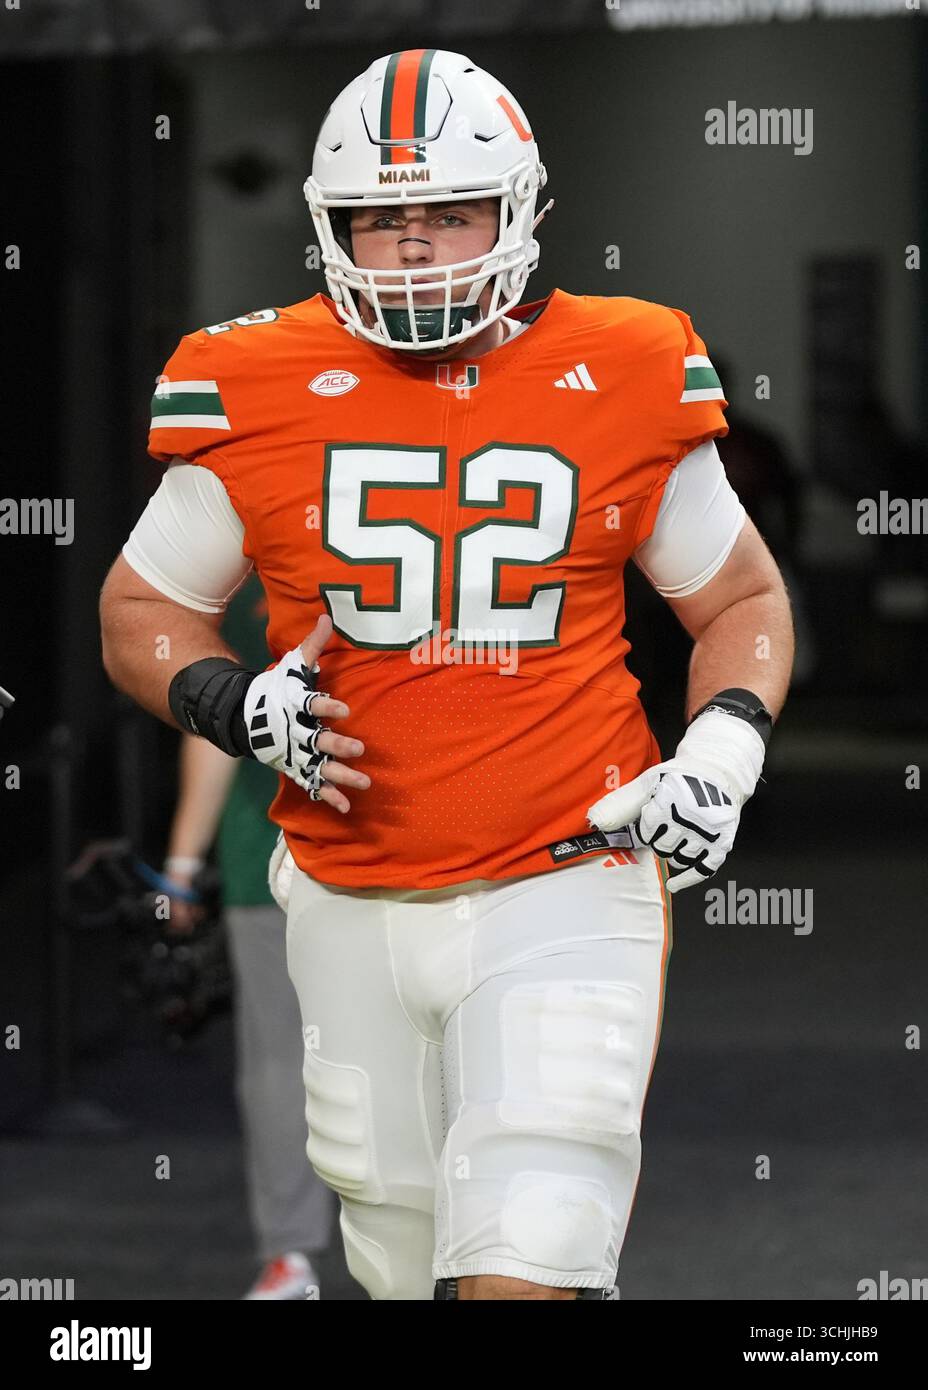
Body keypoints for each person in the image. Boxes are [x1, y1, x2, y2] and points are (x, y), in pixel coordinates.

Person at [100, 49, 794, 1300]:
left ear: (519, 210)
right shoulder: (246, 377)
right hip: (342, 890)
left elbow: (739, 598)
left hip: (568, 873)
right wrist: (230, 701)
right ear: (331, 226)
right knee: (403, 1255)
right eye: (382, 219)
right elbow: (145, 606)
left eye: (449, 215)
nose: (415, 250)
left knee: (526, 1247)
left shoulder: (627, 363)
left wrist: (724, 747)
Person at [159, 571, 336, 1299]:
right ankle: (299, 1254)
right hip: (290, 852)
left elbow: (214, 727)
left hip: (347, 855)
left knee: (283, 1063)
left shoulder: (241, 578)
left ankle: (298, 1257)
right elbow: (215, 722)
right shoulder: (242, 584)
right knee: (282, 1065)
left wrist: (179, 865)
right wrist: (181, 864)